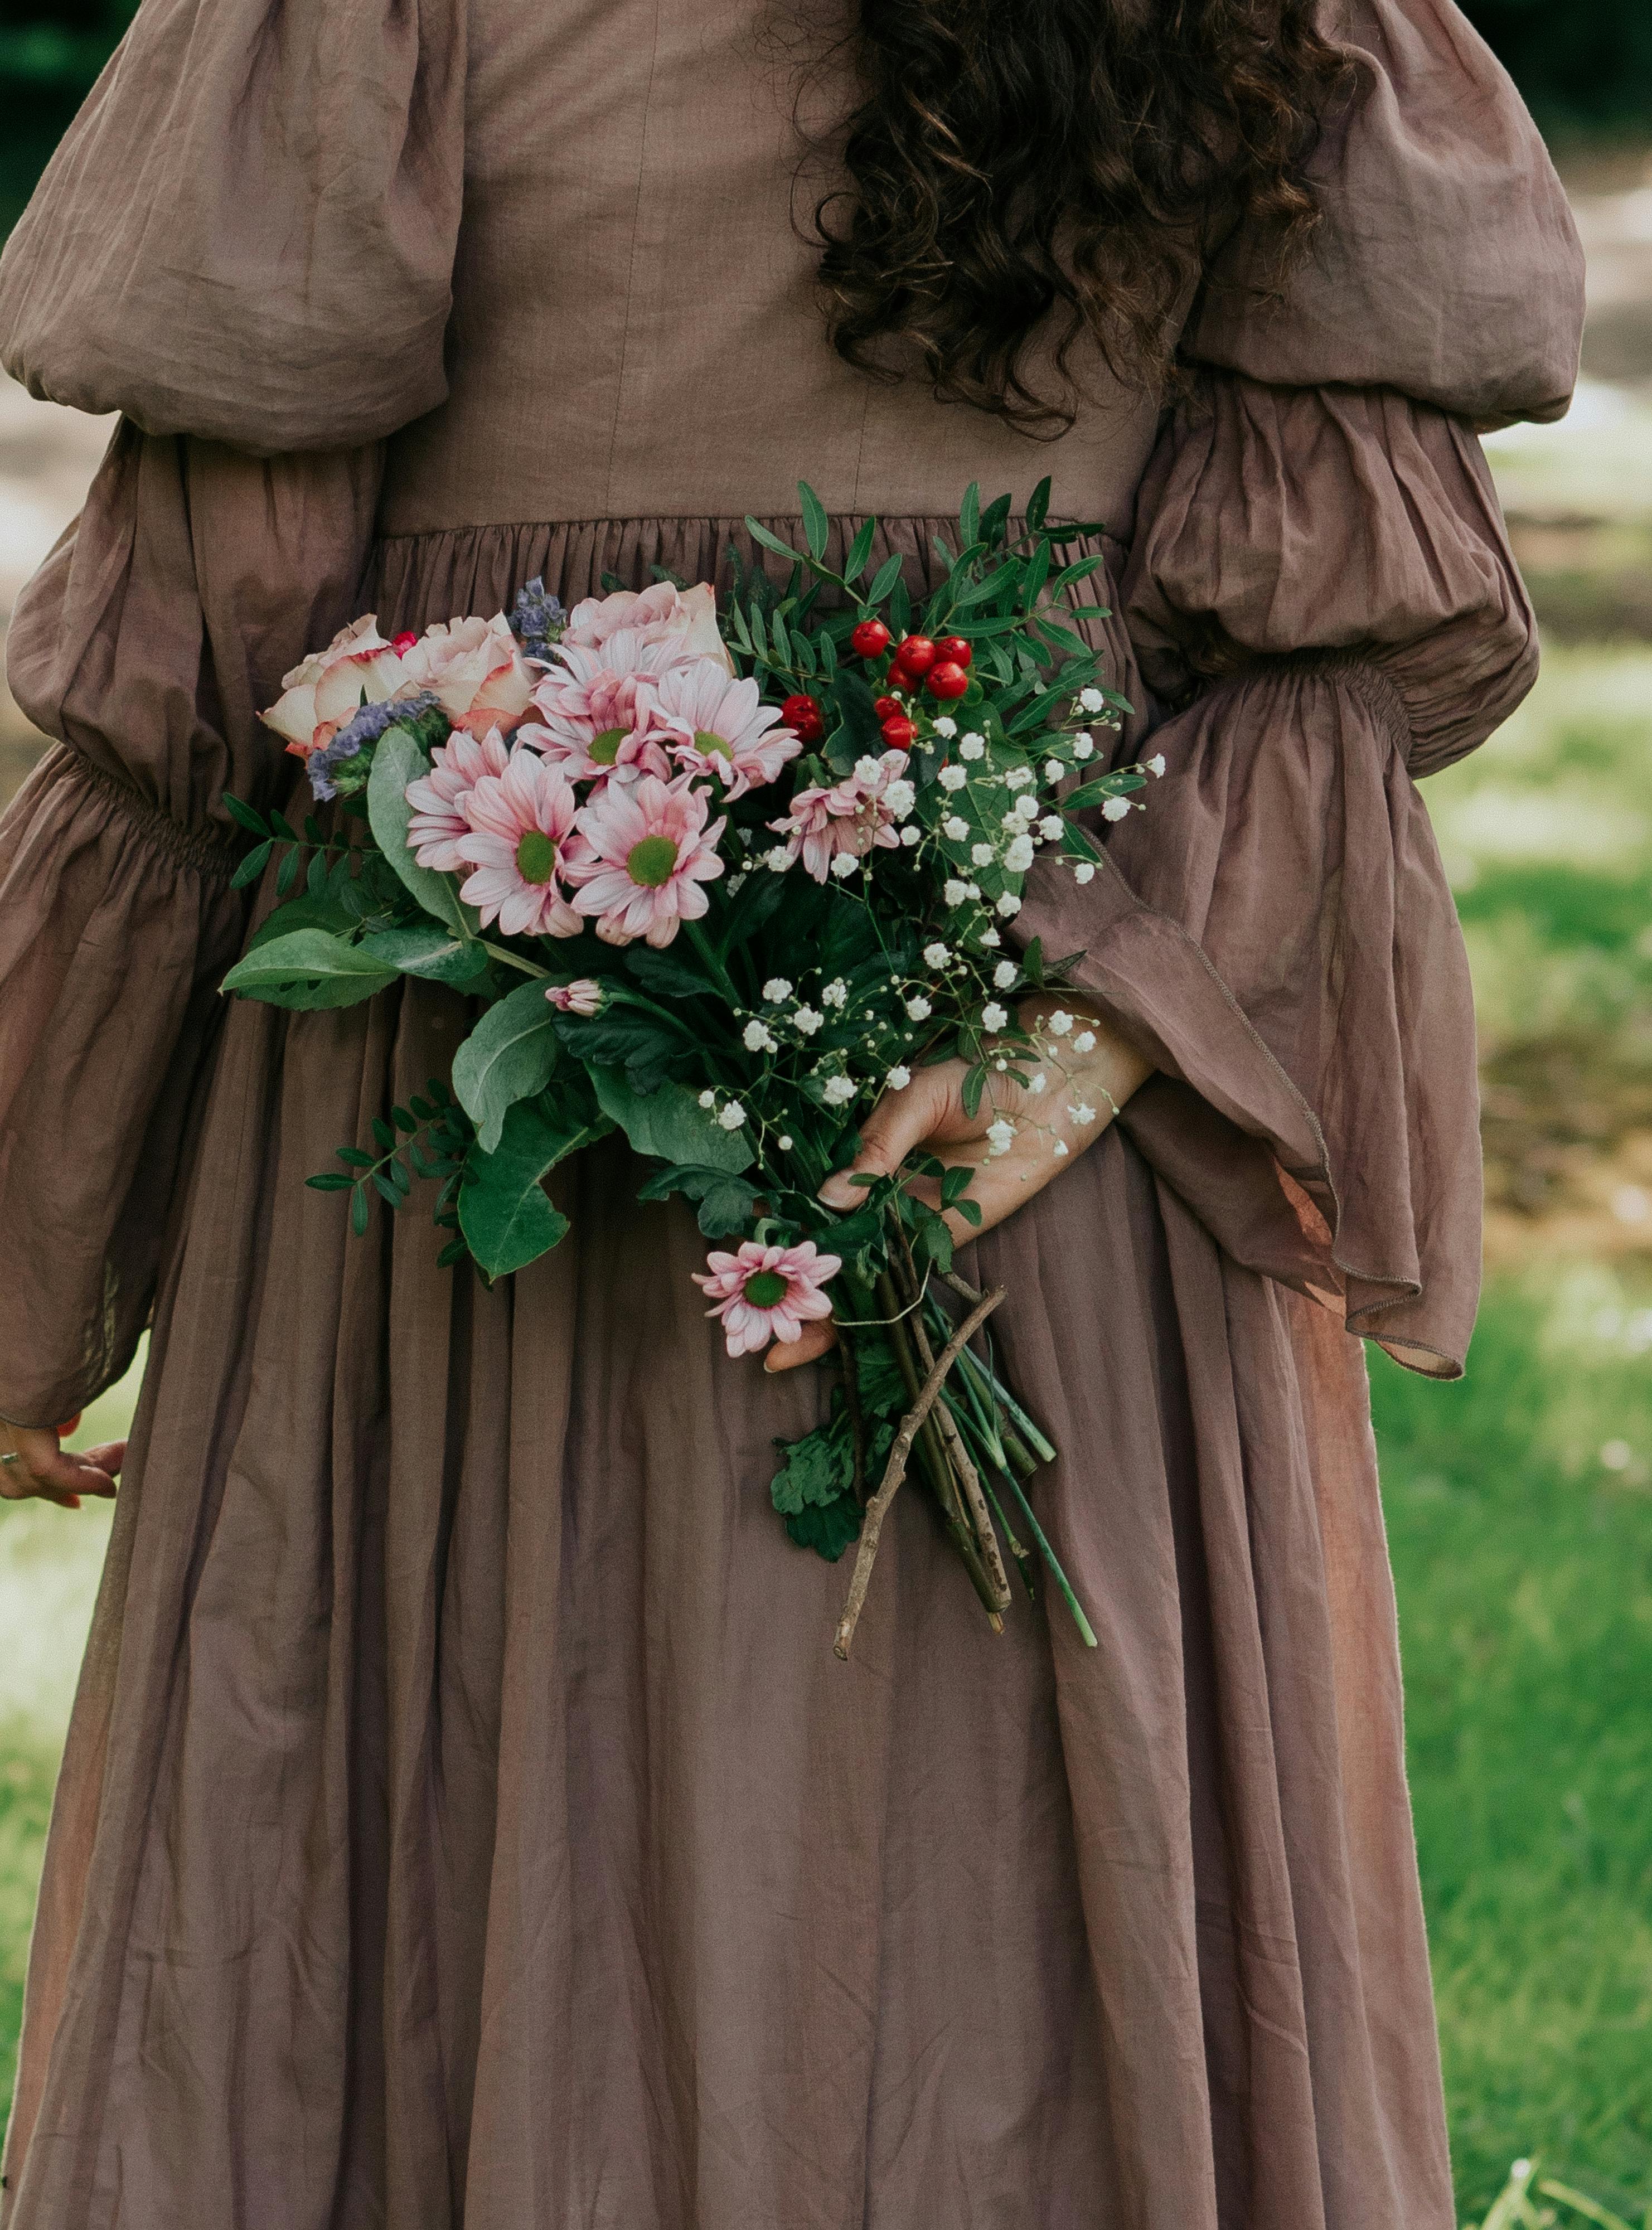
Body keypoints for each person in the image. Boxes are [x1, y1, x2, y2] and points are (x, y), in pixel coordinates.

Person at [0, 0, 1582, 2219]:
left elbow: (196, 657)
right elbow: (1335, 618)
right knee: (994, 1955)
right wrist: (1091, 1025)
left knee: (478, 1862)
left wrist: (31, 1263)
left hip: (496, 1151)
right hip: (1006, 1110)